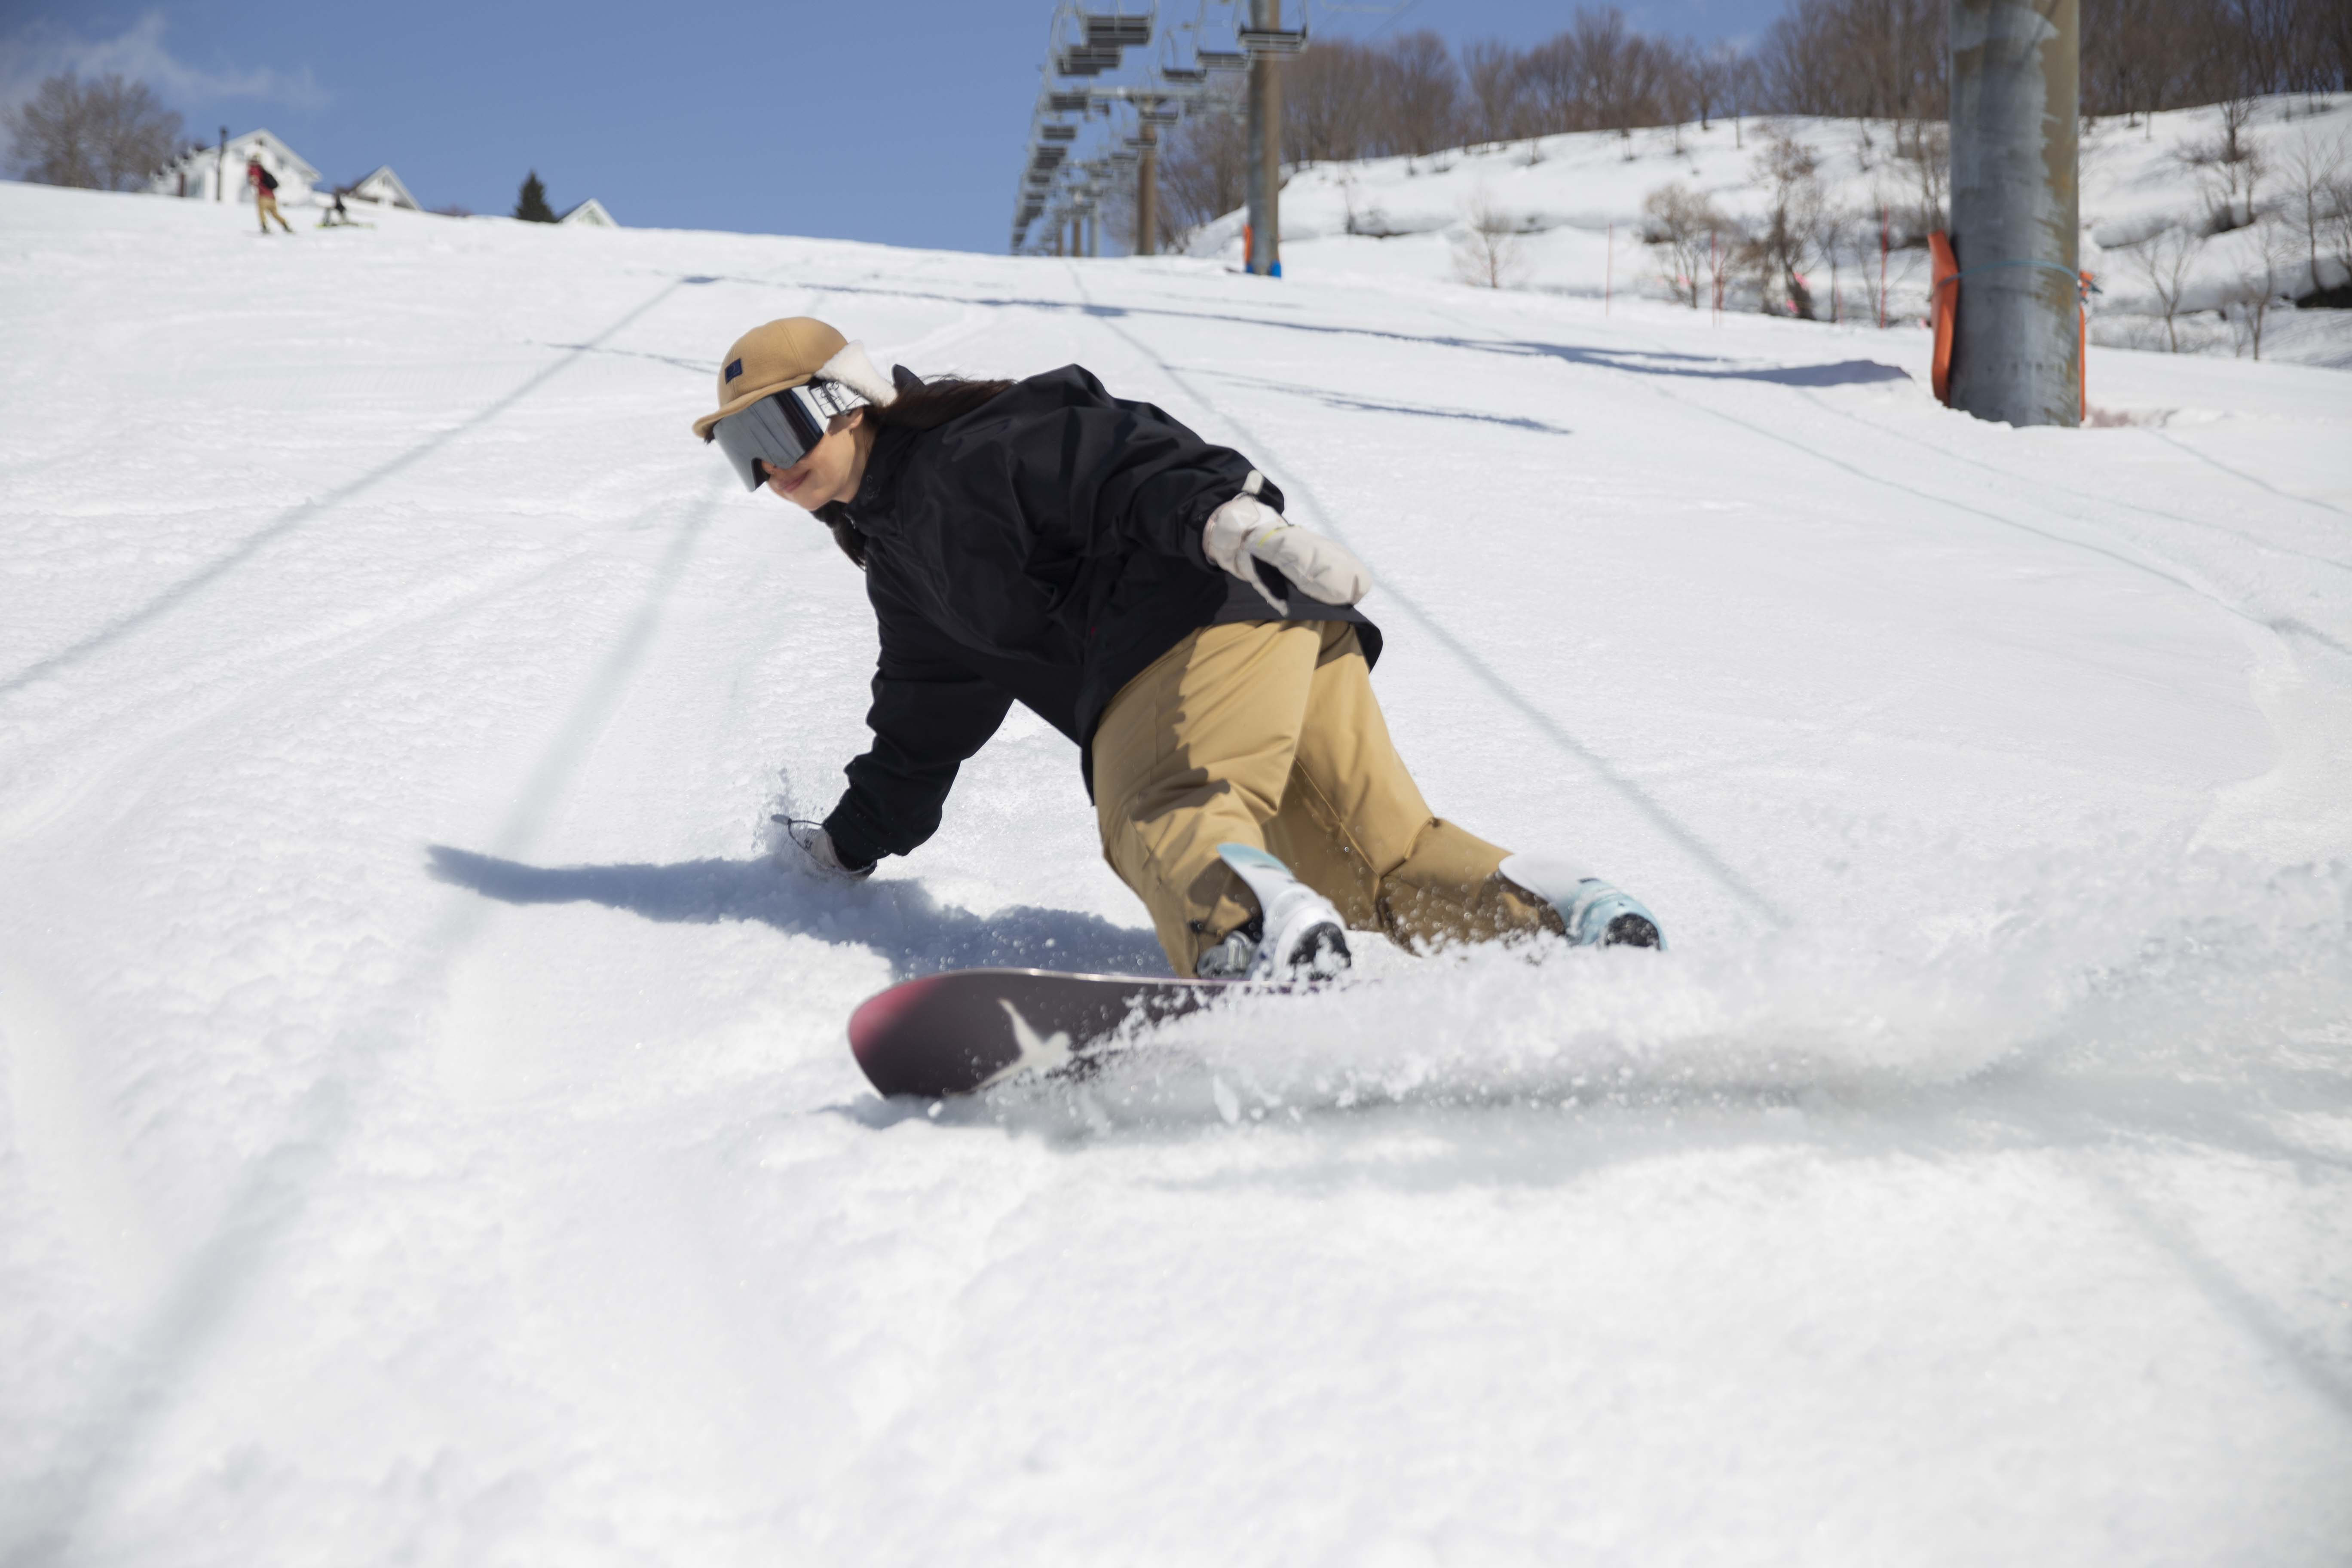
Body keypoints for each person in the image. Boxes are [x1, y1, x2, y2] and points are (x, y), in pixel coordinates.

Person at [692, 318, 1663, 980]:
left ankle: (1248, 941)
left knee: (1156, 811)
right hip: (1279, 638)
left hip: (1191, 626)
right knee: (1375, 869)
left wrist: (1228, 523)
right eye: (748, 455)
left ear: (848, 401)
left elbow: (1116, 458)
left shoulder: (969, 451)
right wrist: (842, 849)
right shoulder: (902, 564)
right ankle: (1567, 923)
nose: (775, 469)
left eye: (782, 426)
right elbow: (920, 729)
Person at [248, 156, 292, 235]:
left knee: (261, 212)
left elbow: (255, 179)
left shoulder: (254, 170)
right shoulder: (263, 170)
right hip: (272, 197)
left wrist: (253, 183)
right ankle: (285, 225)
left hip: (263, 195)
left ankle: (264, 227)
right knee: (275, 213)